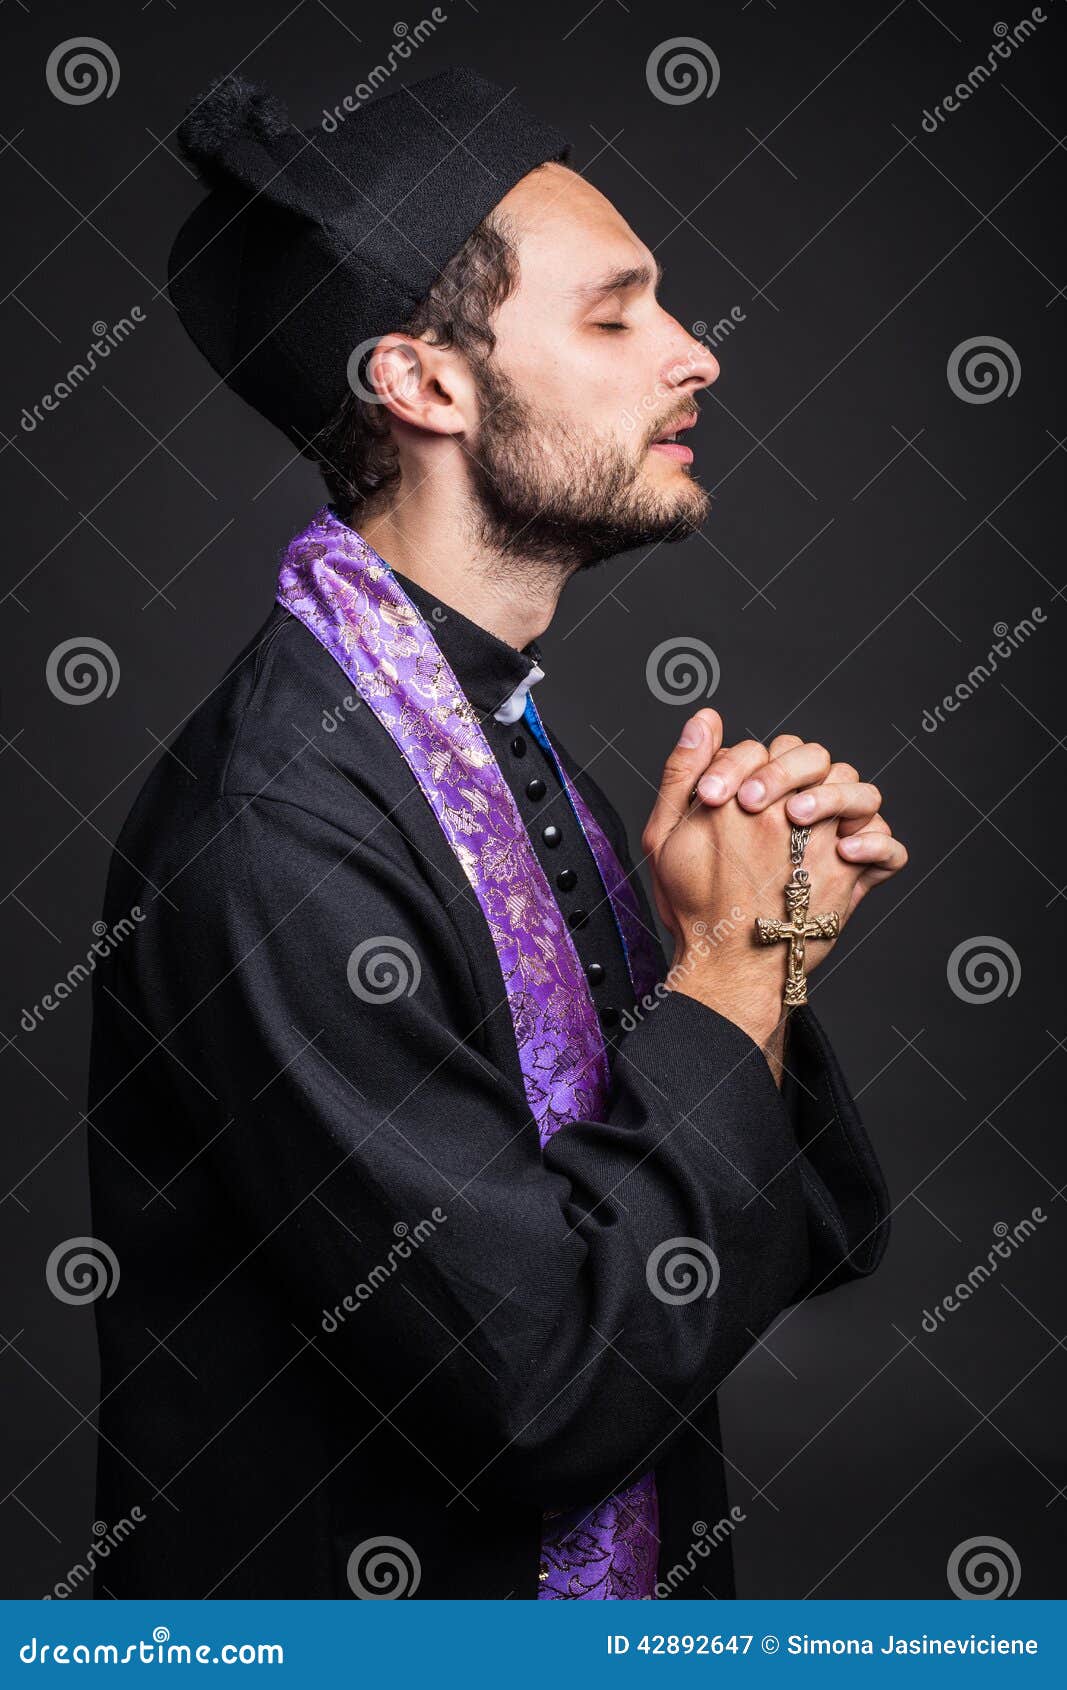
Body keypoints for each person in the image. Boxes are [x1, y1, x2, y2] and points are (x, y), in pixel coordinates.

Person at [87, 66, 906, 1601]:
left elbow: (766, 1246)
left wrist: (750, 940)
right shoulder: (286, 827)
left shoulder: (489, 738)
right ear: (427, 385)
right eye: (616, 316)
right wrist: (729, 969)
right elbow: (546, 1393)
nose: (694, 355)